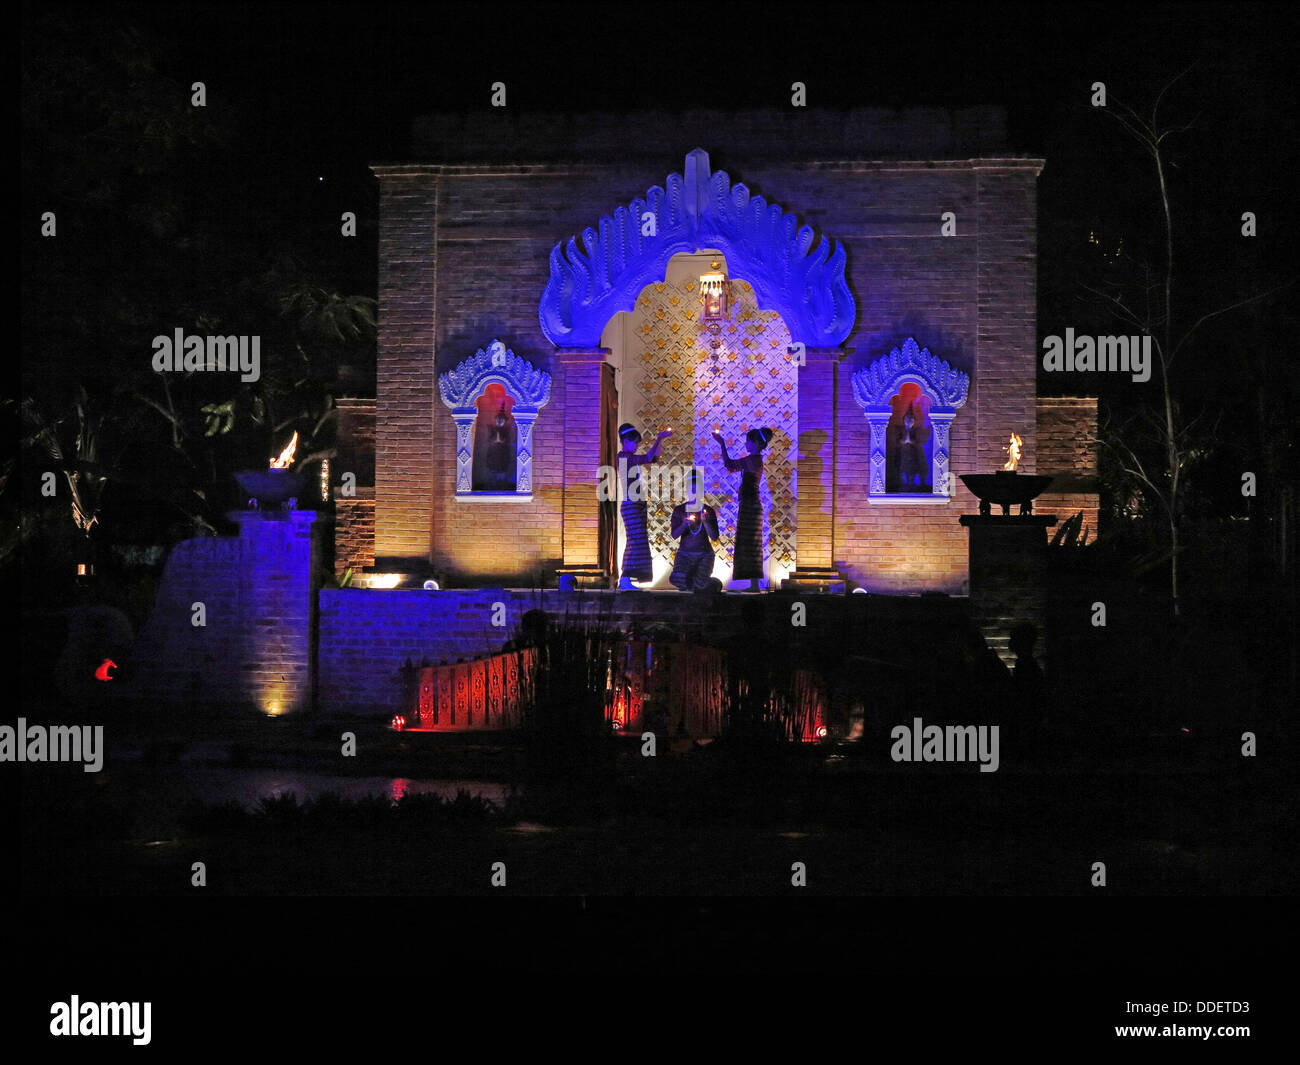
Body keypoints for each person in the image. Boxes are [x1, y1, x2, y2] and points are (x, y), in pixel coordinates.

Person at [713, 425, 772, 591]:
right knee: (749, 544)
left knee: (750, 544)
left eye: (748, 441)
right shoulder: (754, 459)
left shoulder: (752, 459)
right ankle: (753, 585)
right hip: (750, 504)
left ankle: (754, 585)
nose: (746, 444)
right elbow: (732, 467)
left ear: (754, 443)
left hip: (751, 505)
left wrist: (722, 443)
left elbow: (729, 464)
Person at [617, 422, 672, 589]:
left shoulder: (629, 458)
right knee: (635, 541)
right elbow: (648, 457)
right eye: (635, 442)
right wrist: (659, 438)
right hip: (631, 504)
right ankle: (625, 579)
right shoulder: (624, 457)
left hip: (636, 504)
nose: (637, 445)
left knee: (637, 541)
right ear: (625, 440)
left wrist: (660, 442)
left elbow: (653, 458)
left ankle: (627, 579)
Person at [669, 497, 721, 592]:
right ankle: (696, 584)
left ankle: (697, 583)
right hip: (684, 555)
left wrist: (705, 522)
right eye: (692, 489)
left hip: (704, 555)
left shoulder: (708, 510)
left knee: (700, 582)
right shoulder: (680, 510)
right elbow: (674, 535)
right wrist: (684, 524)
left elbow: (714, 537)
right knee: (676, 578)